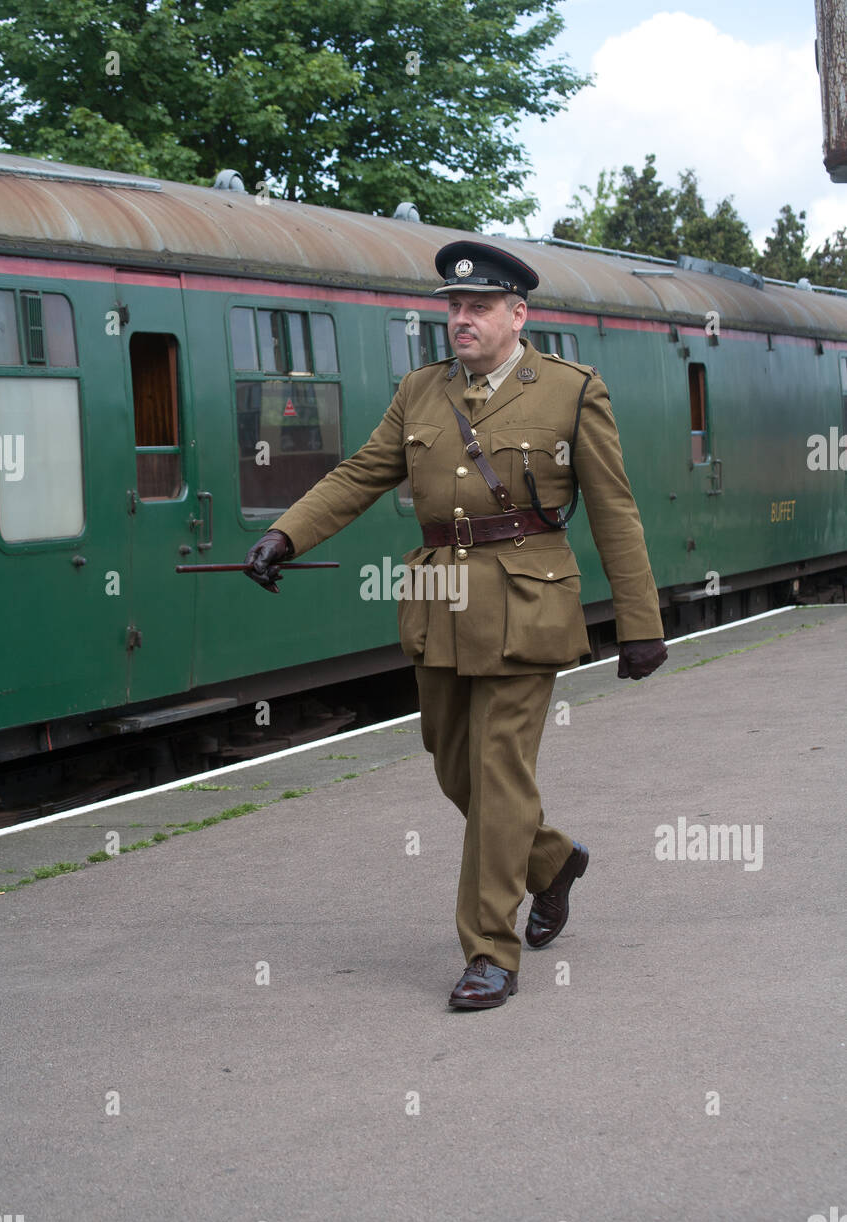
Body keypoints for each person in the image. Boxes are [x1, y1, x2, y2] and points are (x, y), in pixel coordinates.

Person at [245, 241, 667, 1011]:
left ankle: (489, 953)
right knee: (453, 766)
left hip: (528, 604)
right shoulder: (420, 392)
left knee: (501, 776)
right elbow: (359, 475)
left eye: (477, 307)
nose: (461, 320)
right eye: (453, 307)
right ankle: (552, 860)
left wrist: (640, 622)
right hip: (440, 603)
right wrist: (287, 533)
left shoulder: (571, 393)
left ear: (518, 314)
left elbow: (614, 509)